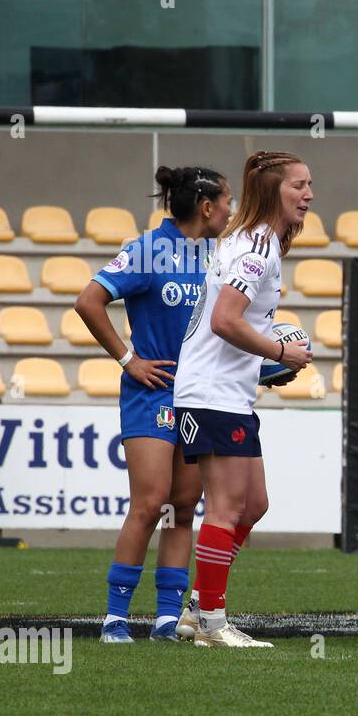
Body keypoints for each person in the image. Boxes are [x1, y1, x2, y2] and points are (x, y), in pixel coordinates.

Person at [75, 166, 231, 643]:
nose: (231, 211)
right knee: (149, 501)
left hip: (198, 395)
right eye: (227, 202)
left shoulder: (221, 256)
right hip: (153, 393)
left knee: (184, 506)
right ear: (206, 207)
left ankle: (166, 619)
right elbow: (88, 301)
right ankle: (115, 619)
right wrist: (129, 360)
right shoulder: (146, 250)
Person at [172, 151, 314, 648]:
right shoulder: (255, 248)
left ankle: (197, 607)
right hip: (212, 392)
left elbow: (230, 321)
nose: (309, 194)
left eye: (309, 185)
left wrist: (263, 360)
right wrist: (280, 351)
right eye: (299, 185)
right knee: (226, 508)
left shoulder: (253, 241)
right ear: (275, 190)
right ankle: (212, 620)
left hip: (224, 391)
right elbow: (224, 320)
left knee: (254, 504)